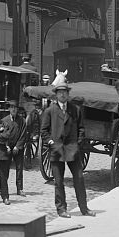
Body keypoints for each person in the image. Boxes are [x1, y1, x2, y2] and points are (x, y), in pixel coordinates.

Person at [40, 72, 96, 219]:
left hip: (72, 150)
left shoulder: (75, 110)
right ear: (56, 95)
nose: (63, 95)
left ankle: (84, 208)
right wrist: (51, 143)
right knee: (58, 182)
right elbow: (44, 131)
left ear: (68, 94)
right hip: (57, 150)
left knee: (79, 178)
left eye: (65, 92)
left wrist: (77, 143)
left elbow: (81, 128)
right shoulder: (50, 111)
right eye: (60, 92)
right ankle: (61, 209)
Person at [5, 99, 29, 197]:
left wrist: (17, 146)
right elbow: (2, 134)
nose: (13, 110)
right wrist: (6, 145)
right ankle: (3, 188)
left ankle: (20, 189)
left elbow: (23, 134)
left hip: (18, 148)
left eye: (15, 108)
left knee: (19, 168)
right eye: (12, 108)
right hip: (7, 148)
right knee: (5, 168)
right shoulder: (5, 120)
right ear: (9, 109)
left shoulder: (22, 120)